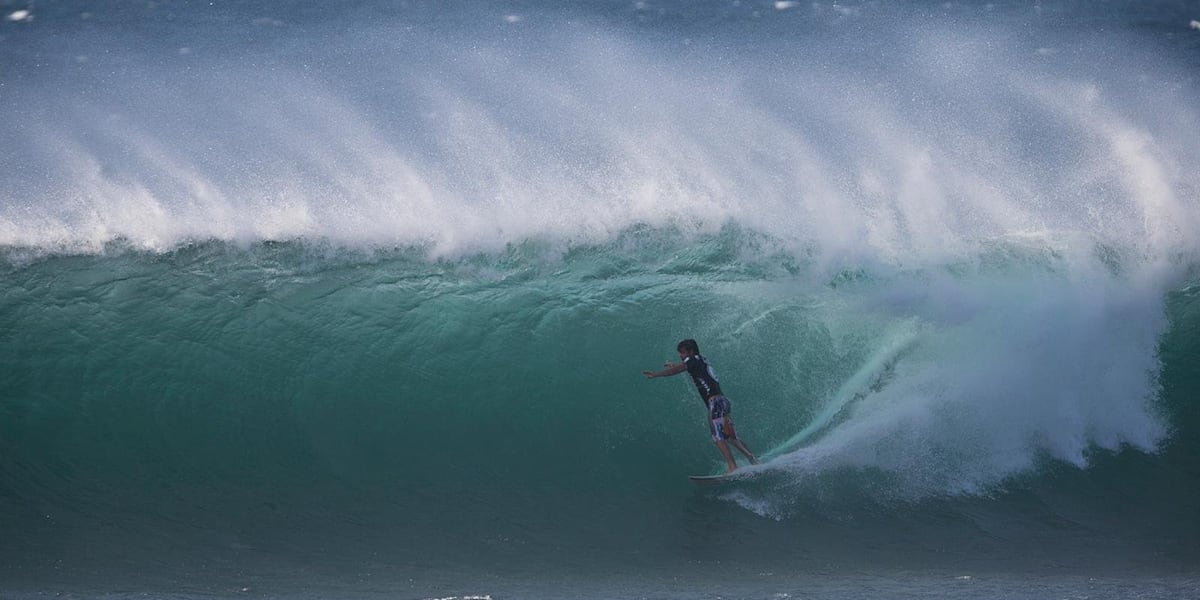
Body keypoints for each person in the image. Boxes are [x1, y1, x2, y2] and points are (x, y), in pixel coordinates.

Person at [643, 339, 759, 473]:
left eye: (683, 353)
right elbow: (687, 367)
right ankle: (753, 459)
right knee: (731, 436)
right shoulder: (702, 359)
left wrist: (656, 374)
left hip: (715, 403)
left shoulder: (691, 361)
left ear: (691, 351)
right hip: (723, 401)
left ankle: (732, 467)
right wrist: (675, 365)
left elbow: (677, 370)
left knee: (717, 437)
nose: (681, 356)